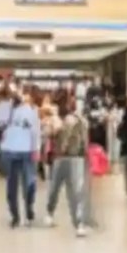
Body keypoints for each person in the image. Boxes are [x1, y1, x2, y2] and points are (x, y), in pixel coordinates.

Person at [46, 90, 90, 237]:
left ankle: (77, 222)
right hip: (70, 157)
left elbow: (84, 137)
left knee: (65, 189)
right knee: (69, 190)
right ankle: (76, 223)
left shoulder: (75, 119)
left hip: (69, 156)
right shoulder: (60, 119)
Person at [0, 89, 41, 228]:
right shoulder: (24, 110)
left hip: (19, 150)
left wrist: (36, 148)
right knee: (23, 182)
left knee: (20, 183)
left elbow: (35, 131)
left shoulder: (28, 110)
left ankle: (21, 212)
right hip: (19, 150)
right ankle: (21, 212)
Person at [0, 85, 14, 177]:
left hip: (0, 128)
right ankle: (4, 169)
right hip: (7, 129)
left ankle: (1, 168)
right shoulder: (9, 103)